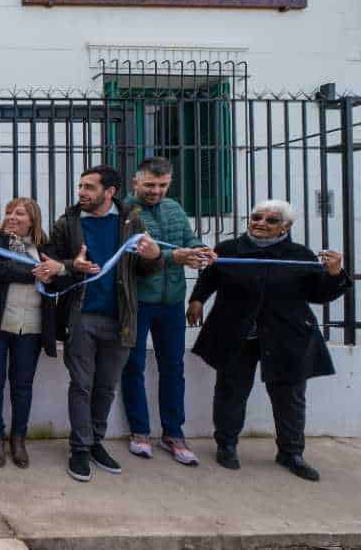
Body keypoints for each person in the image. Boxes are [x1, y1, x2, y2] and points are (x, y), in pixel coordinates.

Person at [188, 200, 349, 482]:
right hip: (236, 333)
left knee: (290, 396)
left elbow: (319, 294)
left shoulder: (299, 255)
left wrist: (334, 273)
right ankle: (226, 445)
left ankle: (291, 452)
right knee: (230, 391)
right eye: (256, 217)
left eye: (271, 220)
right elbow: (209, 278)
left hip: (286, 335)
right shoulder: (228, 249)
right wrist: (197, 300)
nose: (260, 223)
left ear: (285, 227)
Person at [34, 165, 163, 482]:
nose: (81, 192)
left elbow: (146, 270)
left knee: (106, 387)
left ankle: (95, 442)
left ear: (110, 192)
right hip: (81, 316)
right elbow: (50, 264)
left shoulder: (132, 222)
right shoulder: (67, 223)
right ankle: (79, 449)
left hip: (121, 319)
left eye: (89, 187)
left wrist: (154, 255)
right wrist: (70, 265)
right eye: (81, 186)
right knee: (81, 384)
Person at [121, 157, 215, 465]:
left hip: (172, 301)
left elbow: (188, 240)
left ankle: (173, 433)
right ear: (135, 182)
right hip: (137, 301)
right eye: (150, 185)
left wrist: (200, 250)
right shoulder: (125, 211)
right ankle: (139, 432)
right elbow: (131, 257)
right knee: (133, 366)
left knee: (173, 368)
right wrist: (176, 257)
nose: (156, 191)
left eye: (162, 185)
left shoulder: (174, 208)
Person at [0, 197, 60, 469]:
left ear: (33, 219)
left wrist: (55, 271)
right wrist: (37, 272)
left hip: (30, 328)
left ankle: (18, 438)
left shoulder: (45, 247)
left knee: (22, 385)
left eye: (19, 213)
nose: (12, 217)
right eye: (9, 212)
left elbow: (59, 275)